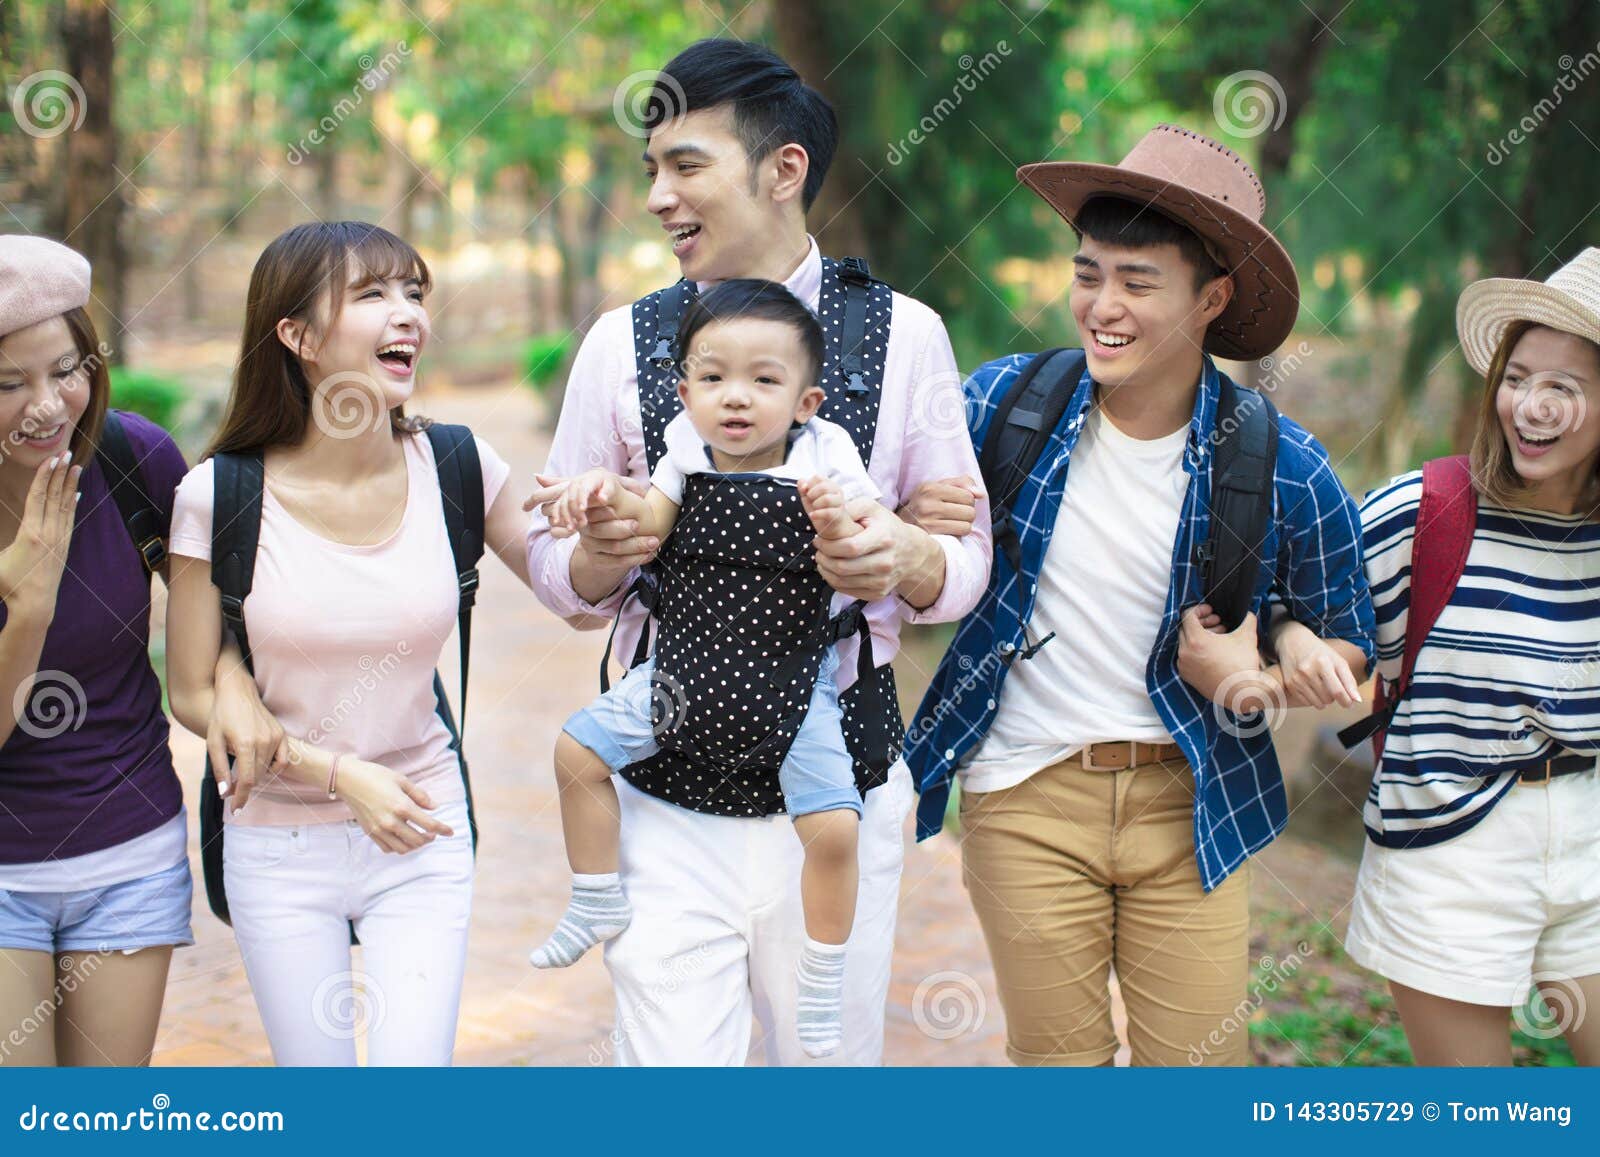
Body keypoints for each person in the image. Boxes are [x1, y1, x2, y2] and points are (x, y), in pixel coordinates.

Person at [524, 39, 989, 1066]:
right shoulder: (619, 344)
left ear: (783, 170)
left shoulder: (905, 336)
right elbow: (557, 577)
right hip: (661, 779)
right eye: (651, 169)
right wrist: (600, 549)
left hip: (840, 776)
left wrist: (907, 554)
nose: (658, 195)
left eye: (685, 165)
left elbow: (965, 566)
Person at [905, 124, 1374, 1066]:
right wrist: (913, 519)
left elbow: (1346, 635)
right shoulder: (1002, 407)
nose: (1102, 306)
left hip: (1192, 801)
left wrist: (1263, 674)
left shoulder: (1283, 462)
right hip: (1026, 792)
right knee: (1060, 1075)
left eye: (1138, 282)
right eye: (1088, 274)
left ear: (1212, 298)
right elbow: (903, 535)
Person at [164, 221, 533, 1066]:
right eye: (372, 294)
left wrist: (623, 517)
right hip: (278, 841)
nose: (408, 313)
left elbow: (577, 588)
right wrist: (335, 772)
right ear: (296, 336)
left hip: (421, 823)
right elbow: (189, 690)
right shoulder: (219, 494)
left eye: (414, 292)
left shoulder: (455, 464)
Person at [533, 279, 889, 1058]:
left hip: (790, 687)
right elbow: (649, 526)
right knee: (575, 752)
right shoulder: (683, 451)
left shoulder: (827, 454)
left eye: (764, 379)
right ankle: (595, 893)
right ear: (685, 391)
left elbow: (869, 535)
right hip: (680, 675)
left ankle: (823, 976)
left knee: (834, 826)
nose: (736, 396)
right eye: (714, 376)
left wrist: (837, 519)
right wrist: (602, 499)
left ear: (806, 401)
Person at [0, 235, 277, 1066]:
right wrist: (28, 609)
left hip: (128, 850)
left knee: (99, 1121)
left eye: (67, 370)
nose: (47, 406)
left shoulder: (133, 460)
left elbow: (217, 621)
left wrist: (232, 680)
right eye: (8, 383)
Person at [1329, 248, 1600, 1066]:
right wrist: (1271, 655)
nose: (1531, 405)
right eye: (1517, 377)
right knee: (1475, 1117)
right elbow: (1301, 608)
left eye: (1564, 387)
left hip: (1590, 829)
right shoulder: (1426, 513)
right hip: (1449, 845)